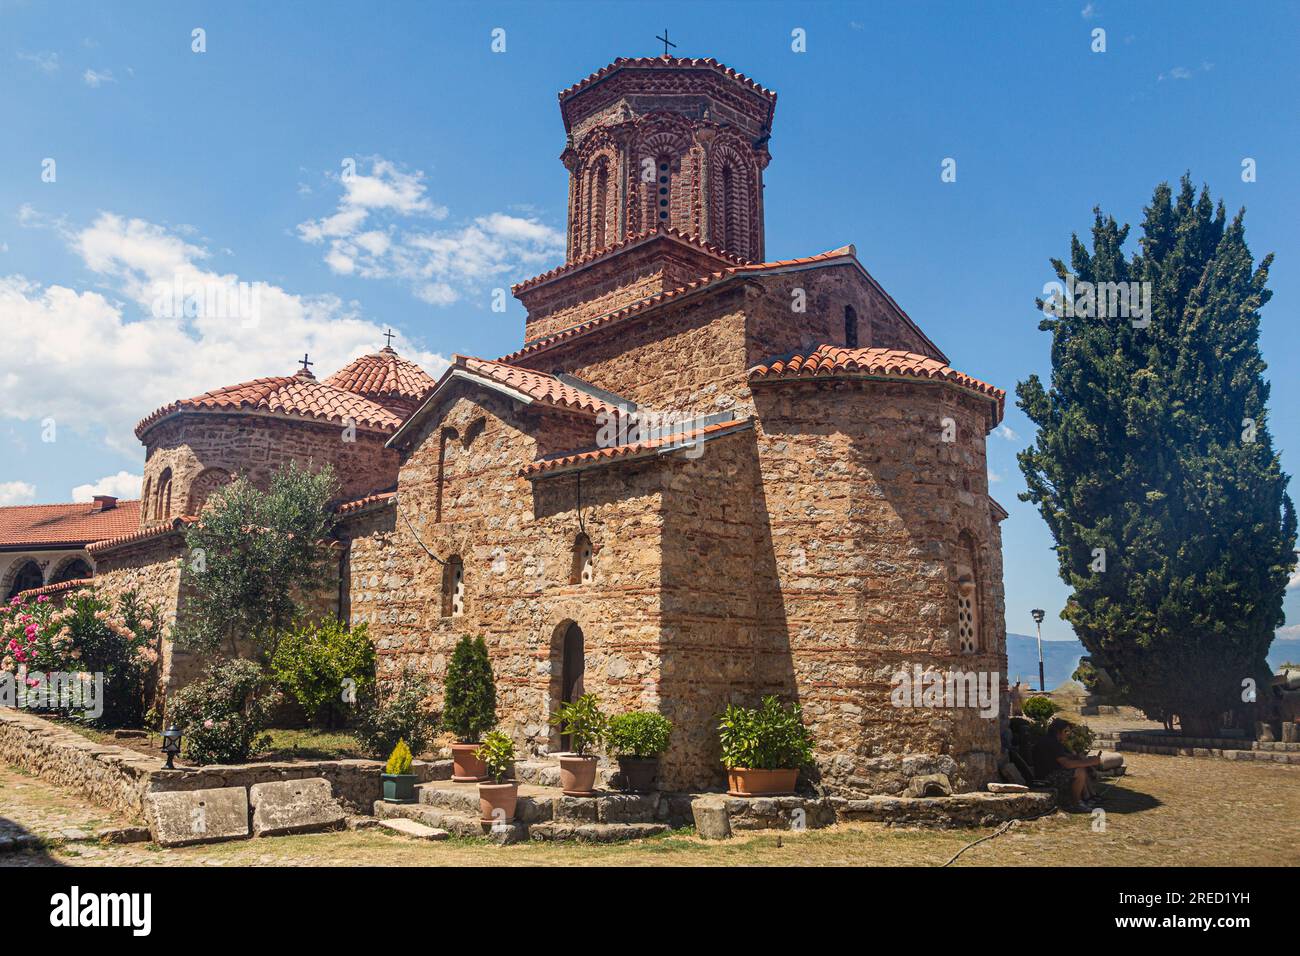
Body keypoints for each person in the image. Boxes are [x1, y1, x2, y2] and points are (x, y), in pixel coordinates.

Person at [1033, 717, 1102, 809]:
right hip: (1046, 778)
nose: (1068, 735)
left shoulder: (1053, 741)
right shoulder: (1052, 742)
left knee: (1081, 767)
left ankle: (1088, 796)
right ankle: (1076, 803)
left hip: (1050, 773)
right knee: (1079, 771)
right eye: (1066, 731)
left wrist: (1082, 759)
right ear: (1058, 731)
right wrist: (1090, 762)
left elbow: (1065, 757)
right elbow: (1067, 764)